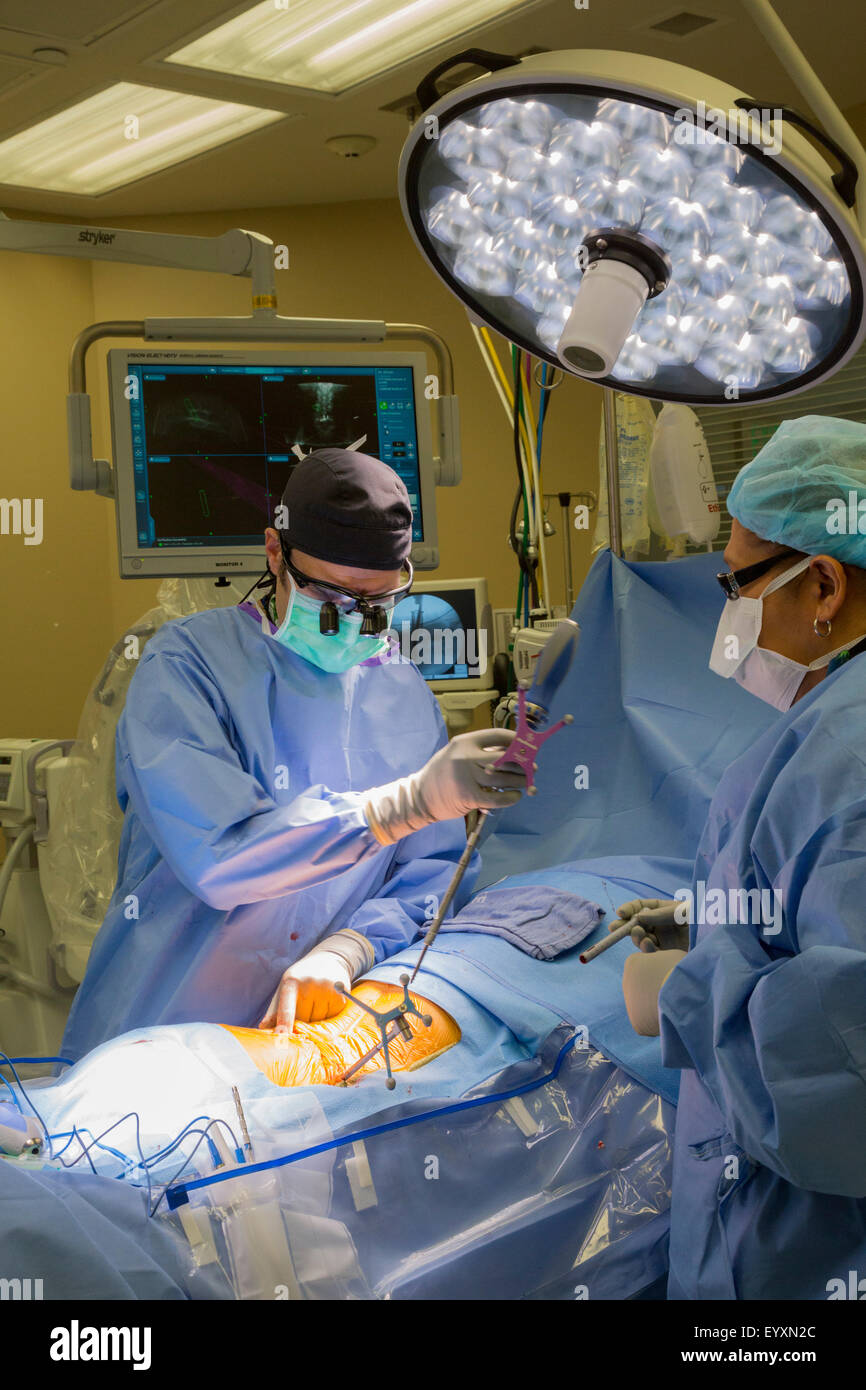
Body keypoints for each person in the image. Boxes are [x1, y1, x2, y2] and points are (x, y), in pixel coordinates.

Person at [62, 449, 524, 1060]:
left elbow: (427, 876)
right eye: (334, 600)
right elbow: (220, 859)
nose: (357, 624)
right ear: (275, 554)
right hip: (165, 1028)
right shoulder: (188, 667)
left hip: (309, 1044)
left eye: (378, 605)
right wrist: (403, 805)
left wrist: (350, 948)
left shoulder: (404, 692)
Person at [613, 415, 866, 1300]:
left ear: (823, 583)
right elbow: (816, 906)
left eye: (739, 579)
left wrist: (687, 994)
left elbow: (846, 1074)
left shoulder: (850, 755)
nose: (729, 610)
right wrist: (718, 921)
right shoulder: (832, 728)